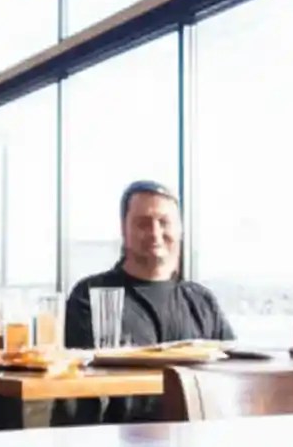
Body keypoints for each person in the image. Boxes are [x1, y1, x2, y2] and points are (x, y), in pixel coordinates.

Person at [61, 180, 235, 423]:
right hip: (118, 442)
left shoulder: (202, 301)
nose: (155, 233)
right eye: (143, 223)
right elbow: (84, 387)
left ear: (180, 229)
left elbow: (230, 372)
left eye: (164, 223)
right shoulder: (91, 295)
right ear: (124, 229)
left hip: (194, 440)